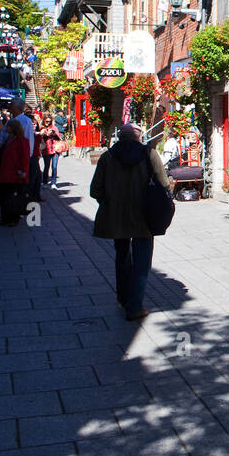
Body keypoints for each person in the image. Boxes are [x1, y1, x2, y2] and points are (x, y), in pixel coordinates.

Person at [89, 123, 171, 321]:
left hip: (116, 217)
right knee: (142, 262)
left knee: (122, 256)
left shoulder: (107, 157)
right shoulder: (149, 154)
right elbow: (164, 183)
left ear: (120, 137)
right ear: (137, 137)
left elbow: (95, 190)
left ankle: (123, 298)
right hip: (144, 215)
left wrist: (109, 201)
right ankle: (135, 306)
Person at [0, 119, 29, 226]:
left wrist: (23, 171)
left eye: (8, 126)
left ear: (13, 128)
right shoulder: (8, 139)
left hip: (14, 173)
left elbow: (24, 157)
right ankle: (5, 217)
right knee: (3, 196)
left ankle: (13, 217)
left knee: (11, 197)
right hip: (4, 172)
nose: (5, 128)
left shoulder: (22, 140)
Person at [9, 99, 40, 203]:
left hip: (22, 155)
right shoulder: (11, 120)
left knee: (26, 182)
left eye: (11, 106)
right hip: (12, 157)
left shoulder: (25, 121)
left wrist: (28, 156)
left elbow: (29, 139)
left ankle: (23, 204)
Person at [37, 114, 64, 188]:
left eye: (49, 121)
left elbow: (59, 138)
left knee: (54, 167)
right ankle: (45, 182)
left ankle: (53, 182)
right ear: (44, 121)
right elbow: (39, 138)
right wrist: (43, 134)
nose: (48, 123)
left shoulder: (54, 128)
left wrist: (54, 134)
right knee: (46, 166)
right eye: (46, 121)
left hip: (55, 149)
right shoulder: (41, 128)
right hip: (46, 150)